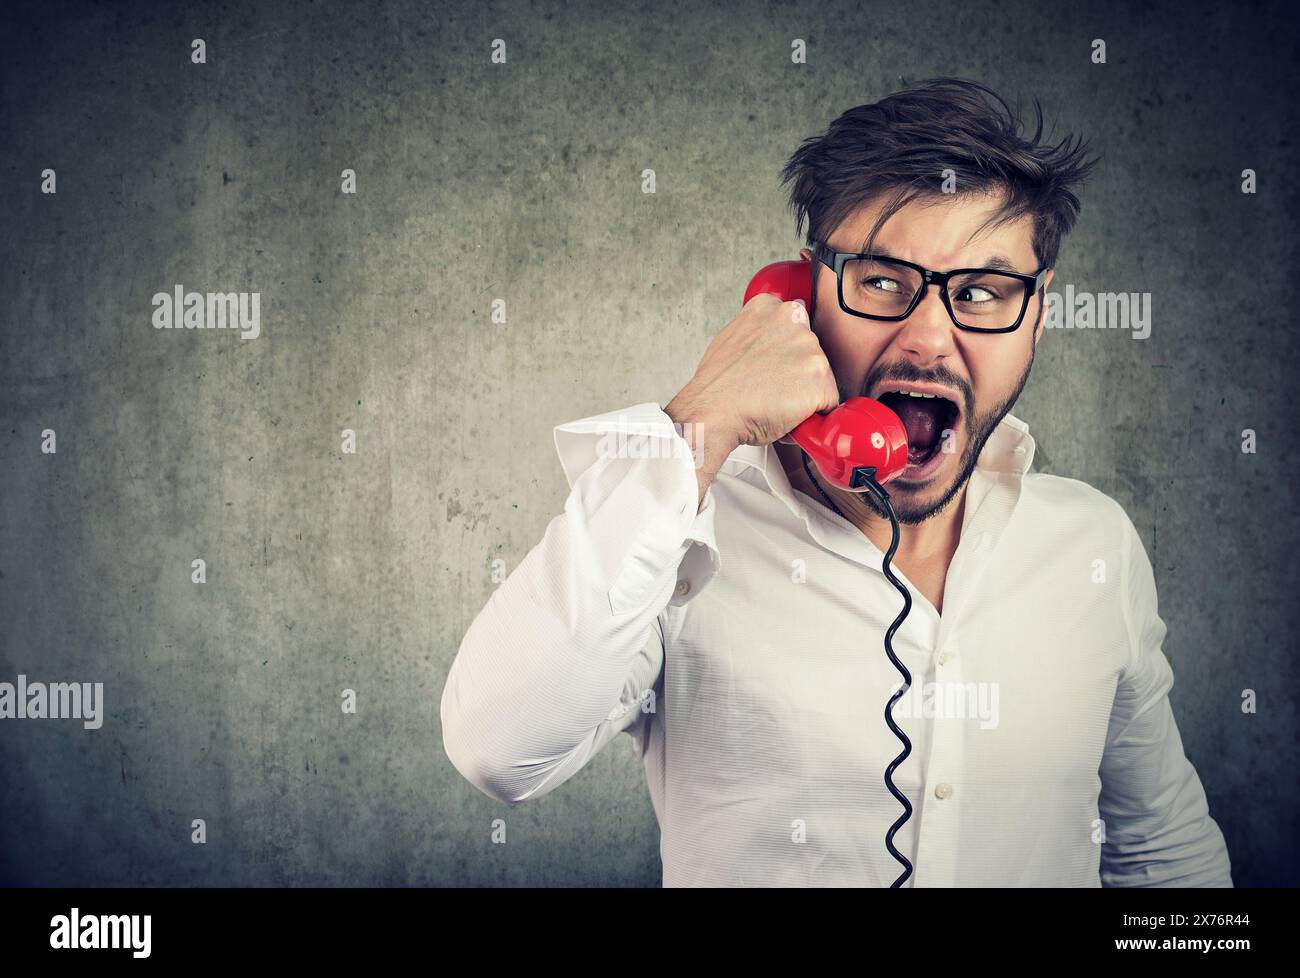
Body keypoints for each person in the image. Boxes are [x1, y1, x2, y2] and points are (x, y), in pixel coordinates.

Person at [440, 77, 1233, 887]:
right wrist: (700, 424)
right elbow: (499, 748)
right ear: (803, 295)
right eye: (882, 281)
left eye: (983, 293)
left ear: (1036, 313)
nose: (929, 338)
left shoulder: (1094, 547)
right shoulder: (680, 548)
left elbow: (1165, 857)